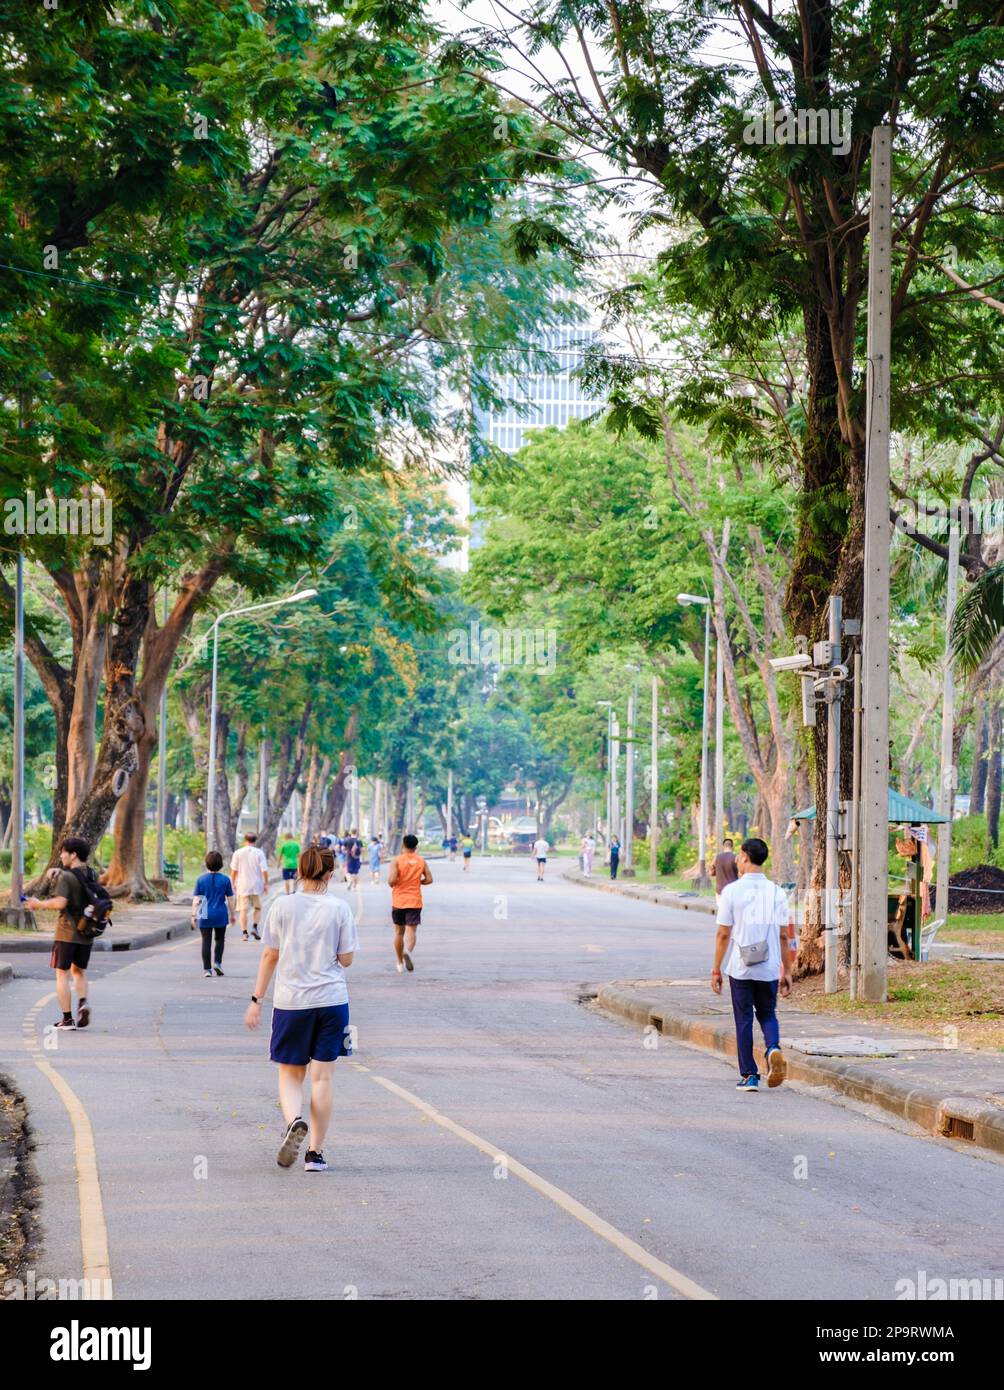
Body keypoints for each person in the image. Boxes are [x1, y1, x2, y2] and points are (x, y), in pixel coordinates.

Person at [245, 845, 357, 1172]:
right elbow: (347, 959)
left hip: (291, 1003)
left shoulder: (282, 905)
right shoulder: (340, 908)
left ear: (300, 870)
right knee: (323, 1078)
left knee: (291, 1074)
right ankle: (315, 1155)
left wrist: (256, 1000)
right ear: (328, 872)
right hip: (333, 1003)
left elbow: (269, 956)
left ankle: (295, 1120)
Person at [711, 837, 792, 1093]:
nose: (736, 860)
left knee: (744, 1019)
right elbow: (783, 936)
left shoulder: (731, 891)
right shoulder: (777, 892)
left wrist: (716, 969)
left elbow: (723, 934)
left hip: (740, 967)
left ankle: (750, 1076)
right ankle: (773, 1048)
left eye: (738, 856)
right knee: (767, 1013)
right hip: (768, 966)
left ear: (746, 857)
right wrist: (787, 970)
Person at [24, 837, 96, 1031]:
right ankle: (83, 1003)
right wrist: (58, 873)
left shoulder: (66, 877)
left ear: (73, 855)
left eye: (64, 852)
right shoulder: (91, 873)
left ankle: (67, 1019)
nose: (61, 855)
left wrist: (38, 904)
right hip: (87, 932)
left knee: (61, 973)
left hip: (66, 932)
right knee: (78, 971)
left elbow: (60, 903)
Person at [388, 833, 432, 974]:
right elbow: (429, 879)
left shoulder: (397, 860)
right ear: (416, 846)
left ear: (403, 845)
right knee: (411, 931)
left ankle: (400, 962)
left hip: (399, 901)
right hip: (414, 900)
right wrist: (418, 881)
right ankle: (408, 951)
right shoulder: (421, 861)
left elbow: (392, 880)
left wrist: (396, 882)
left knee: (399, 932)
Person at [191, 851, 236, 977]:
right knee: (220, 940)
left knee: (206, 941)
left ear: (207, 864)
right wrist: (233, 915)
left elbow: (196, 901)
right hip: (220, 913)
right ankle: (217, 963)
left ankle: (207, 970)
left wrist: (193, 916)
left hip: (204, 913)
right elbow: (230, 900)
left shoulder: (200, 880)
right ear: (221, 864)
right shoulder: (225, 880)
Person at [230, 832, 269, 941]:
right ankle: (255, 927)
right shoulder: (259, 853)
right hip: (257, 885)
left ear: (244, 840)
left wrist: (232, 883)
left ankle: (244, 933)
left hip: (242, 885)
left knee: (243, 910)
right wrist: (266, 883)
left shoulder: (238, 853)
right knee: (257, 908)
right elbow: (264, 870)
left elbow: (234, 871)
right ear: (255, 841)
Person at [713, 837, 739, 911]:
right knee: (732, 911)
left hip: (720, 890)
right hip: (733, 890)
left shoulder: (717, 857)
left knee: (722, 912)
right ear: (732, 846)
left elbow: (711, 871)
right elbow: (741, 873)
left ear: (723, 846)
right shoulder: (736, 858)